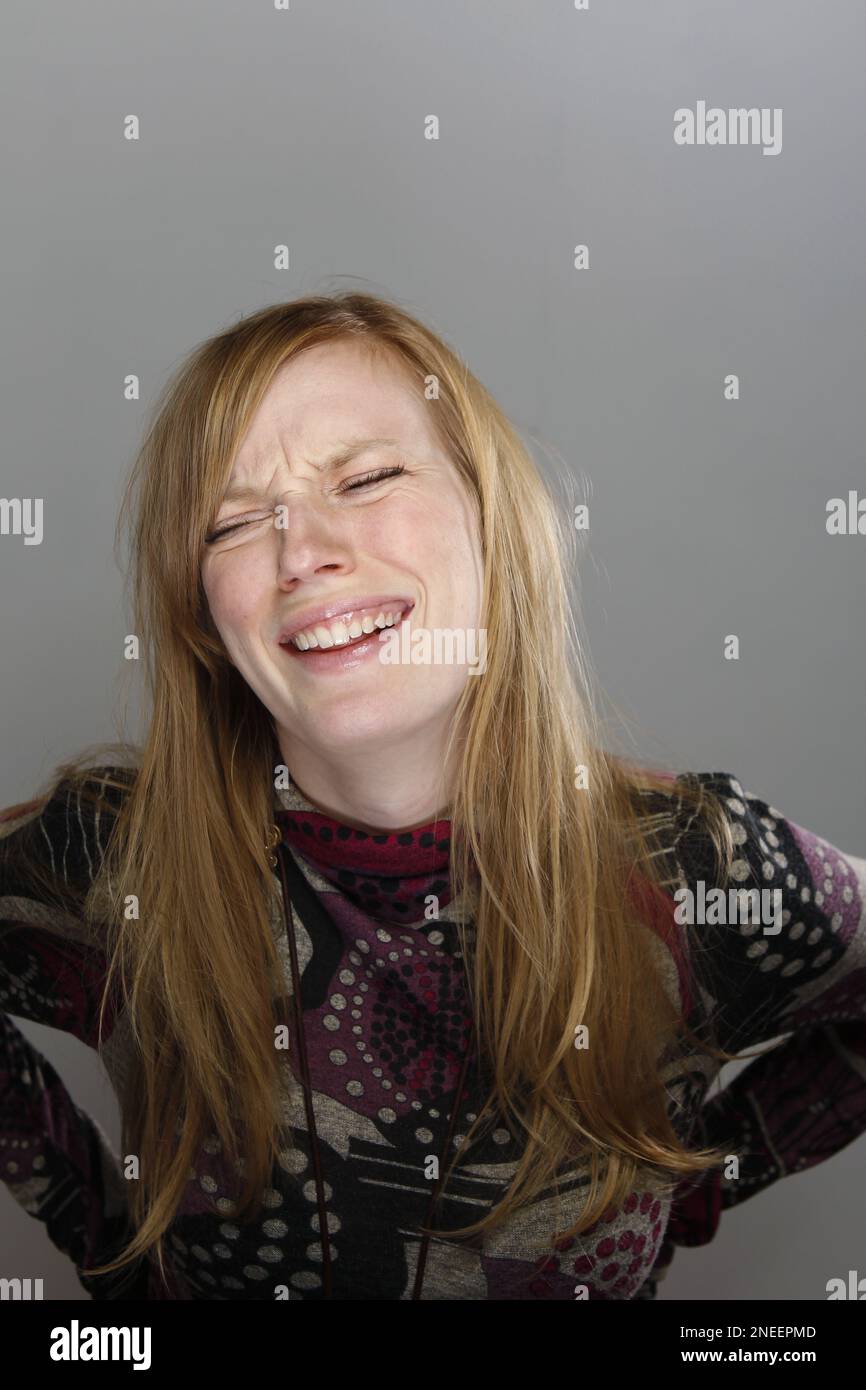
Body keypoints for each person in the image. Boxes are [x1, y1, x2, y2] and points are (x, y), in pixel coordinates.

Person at [2, 292, 864, 1300]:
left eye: (365, 476)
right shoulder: (113, 856)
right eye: (231, 523)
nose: (301, 550)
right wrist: (101, 1231)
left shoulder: (699, 868)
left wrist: (701, 1177)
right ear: (199, 618)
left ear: (491, 519)